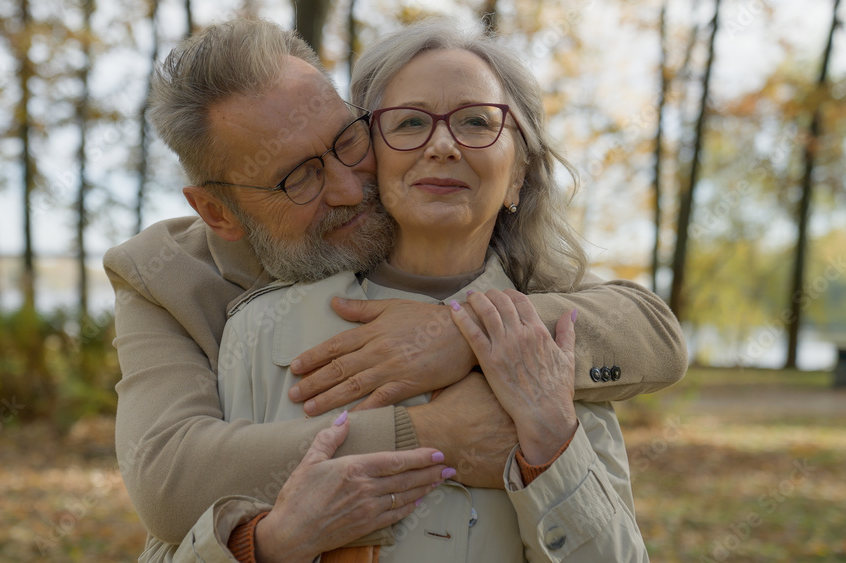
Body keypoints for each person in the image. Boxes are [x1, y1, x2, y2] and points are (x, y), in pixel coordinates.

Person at [102, 17, 686, 561]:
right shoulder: (191, 292)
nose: (350, 190)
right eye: (296, 177)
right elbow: (169, 480)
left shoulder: (535, 322)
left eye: (347, 142)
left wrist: (463, 336)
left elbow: (653, 336)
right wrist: (435, 439)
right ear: (218, 212)